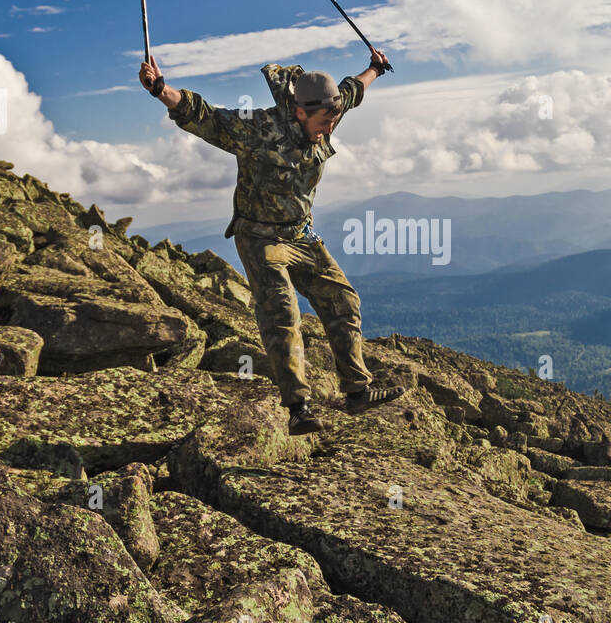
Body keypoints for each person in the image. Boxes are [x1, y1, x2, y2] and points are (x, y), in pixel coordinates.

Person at [139, 47, 409, 434]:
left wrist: (376, 69)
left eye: (333, 121)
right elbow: (205, 116)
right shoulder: (256, 128)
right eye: (323, 122)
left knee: (343, 299)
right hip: (260, 236)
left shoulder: (328, 109)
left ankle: (357, 390)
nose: (329, 130)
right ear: (300, 111)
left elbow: (352, 90)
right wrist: (161, 89)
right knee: (283, 313)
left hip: (301, 233)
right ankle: (298, 408)